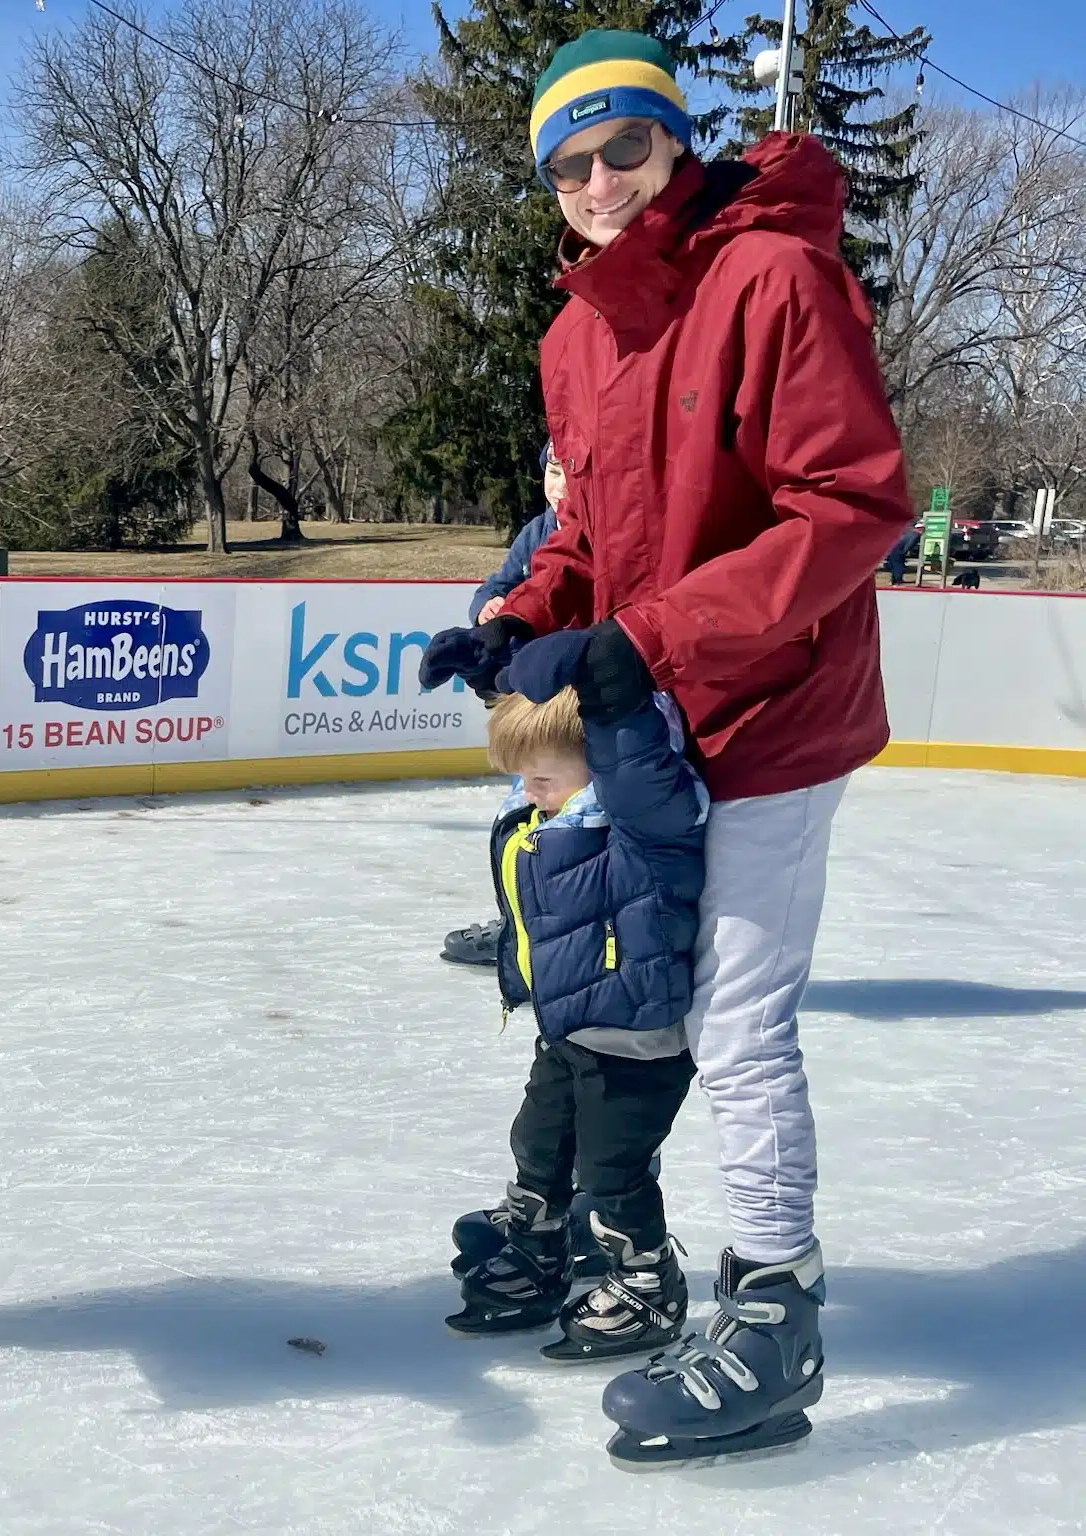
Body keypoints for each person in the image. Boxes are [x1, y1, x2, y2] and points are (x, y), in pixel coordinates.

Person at [423, 29, 911, 1465]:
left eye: (622, 148)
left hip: (772, 710)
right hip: (659, 725)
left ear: (674, 139)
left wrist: (647, 643)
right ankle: (611, 1240)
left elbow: (852, 508)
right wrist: (517, 613)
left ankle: (776, 1313)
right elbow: (590, 534)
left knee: (737, 1017)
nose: (597, 183)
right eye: (566, 165)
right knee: (624, 986)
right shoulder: (577, 333)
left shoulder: (772, 275)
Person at [445, 664, 703, 1365]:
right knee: (538, 1144)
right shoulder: (552, 814)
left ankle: (647, 1284)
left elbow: (640, 767)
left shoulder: (641, 821)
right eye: (522, 779)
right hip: (569, 1031)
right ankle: (539, 1254)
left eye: (543, 779)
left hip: (636, 1040)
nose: (528, 794)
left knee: (612, 1170)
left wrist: (619, 706)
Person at [442, 446, 568, 968]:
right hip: (542, 702)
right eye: (552, 472)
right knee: (519, 817)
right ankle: (519, 926)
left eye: (572, 473)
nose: (560, 486)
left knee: (568, 821)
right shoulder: (538, 531)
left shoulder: (612, 530)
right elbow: (497, 588)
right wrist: (490, 609)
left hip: (585, 702)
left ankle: (565, 931)